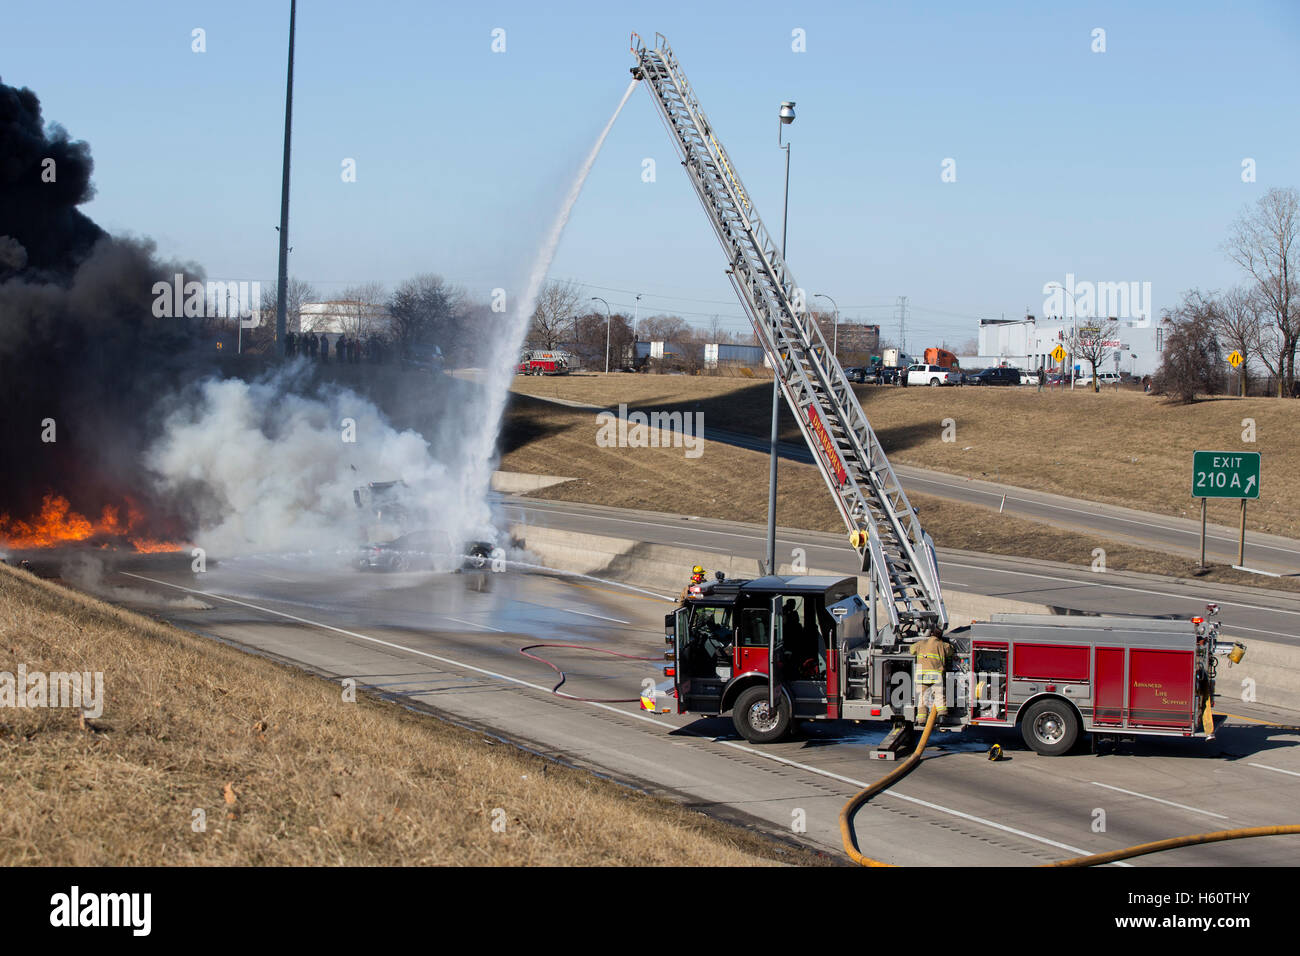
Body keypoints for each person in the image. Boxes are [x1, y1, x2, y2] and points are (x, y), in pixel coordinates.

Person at [909, 627, 953, 722]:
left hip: (922, 675)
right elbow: (950, 652)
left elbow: (911, 650)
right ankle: (942, 717)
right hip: (935, 675)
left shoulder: (920, 644)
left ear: (930, 634)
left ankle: (921, 720)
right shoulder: (942, 645)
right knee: (939, 695)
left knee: (922, 698)